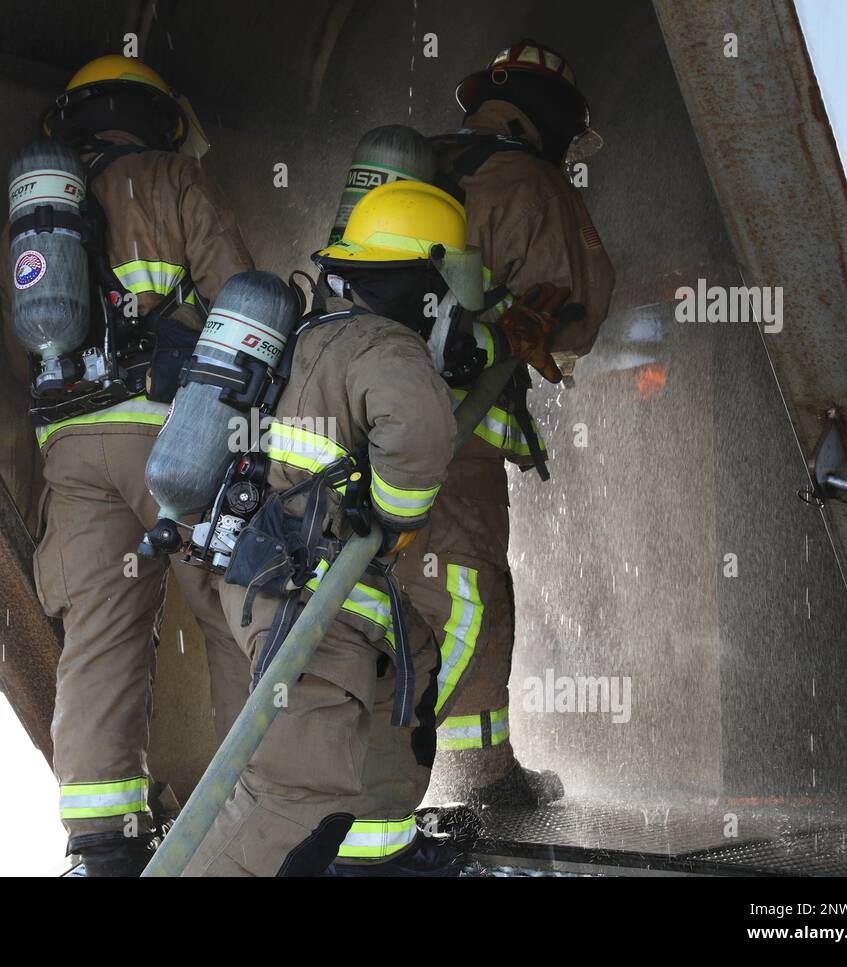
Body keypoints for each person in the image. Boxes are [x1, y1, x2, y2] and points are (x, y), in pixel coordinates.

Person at [0, 54, 254, 876]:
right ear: (158, 117)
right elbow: (241, 299)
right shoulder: (175, 179)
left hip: (69, 456)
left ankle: (102, 843)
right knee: (235, 610)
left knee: (100, 637)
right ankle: (260, 812)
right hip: (174, 432)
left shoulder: (28, 225)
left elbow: (17, 351)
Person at [183, 181, 473, 876]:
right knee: (293, 793)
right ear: (420, 279)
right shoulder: (387, 344)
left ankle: (376, 864)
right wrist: (399, 516)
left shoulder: (318, 335)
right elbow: (416, 423)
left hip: (289, 584)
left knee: (383, 722)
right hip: (306, 597)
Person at [419, 38, 616, 815]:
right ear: (557, 123)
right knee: (472, 590)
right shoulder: (527, 182)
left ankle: (371, 774)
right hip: (451, 439)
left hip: (357, 426)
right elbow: (581, 315)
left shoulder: (425, 170)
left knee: (385, 594)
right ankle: (481, 778)